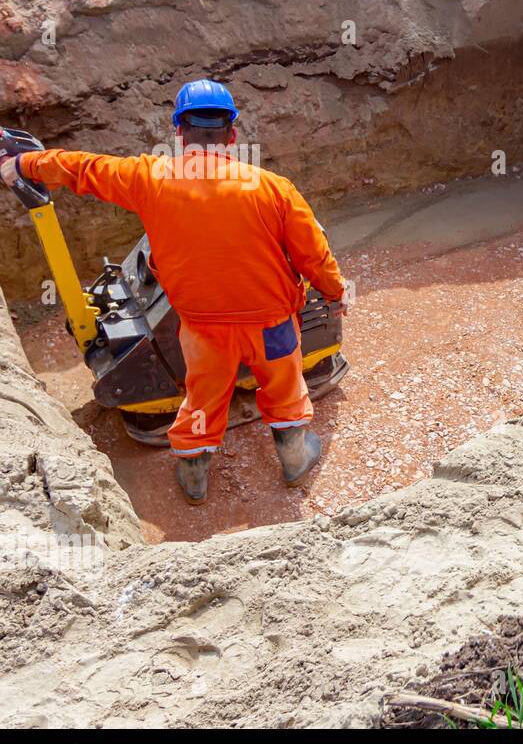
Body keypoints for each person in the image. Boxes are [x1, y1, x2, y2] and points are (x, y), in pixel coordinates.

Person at [0, 79, 347, 502]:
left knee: (202, 398)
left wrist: (24, 165)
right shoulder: (274, 188)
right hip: (272, 324)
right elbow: (314, 255)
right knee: (285, 387)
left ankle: (195, 477)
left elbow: (83, 169)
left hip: (203, 330)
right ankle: (294, 459)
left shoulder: (149, 177)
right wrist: (335, 291)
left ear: (179, 133)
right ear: (232, 134)